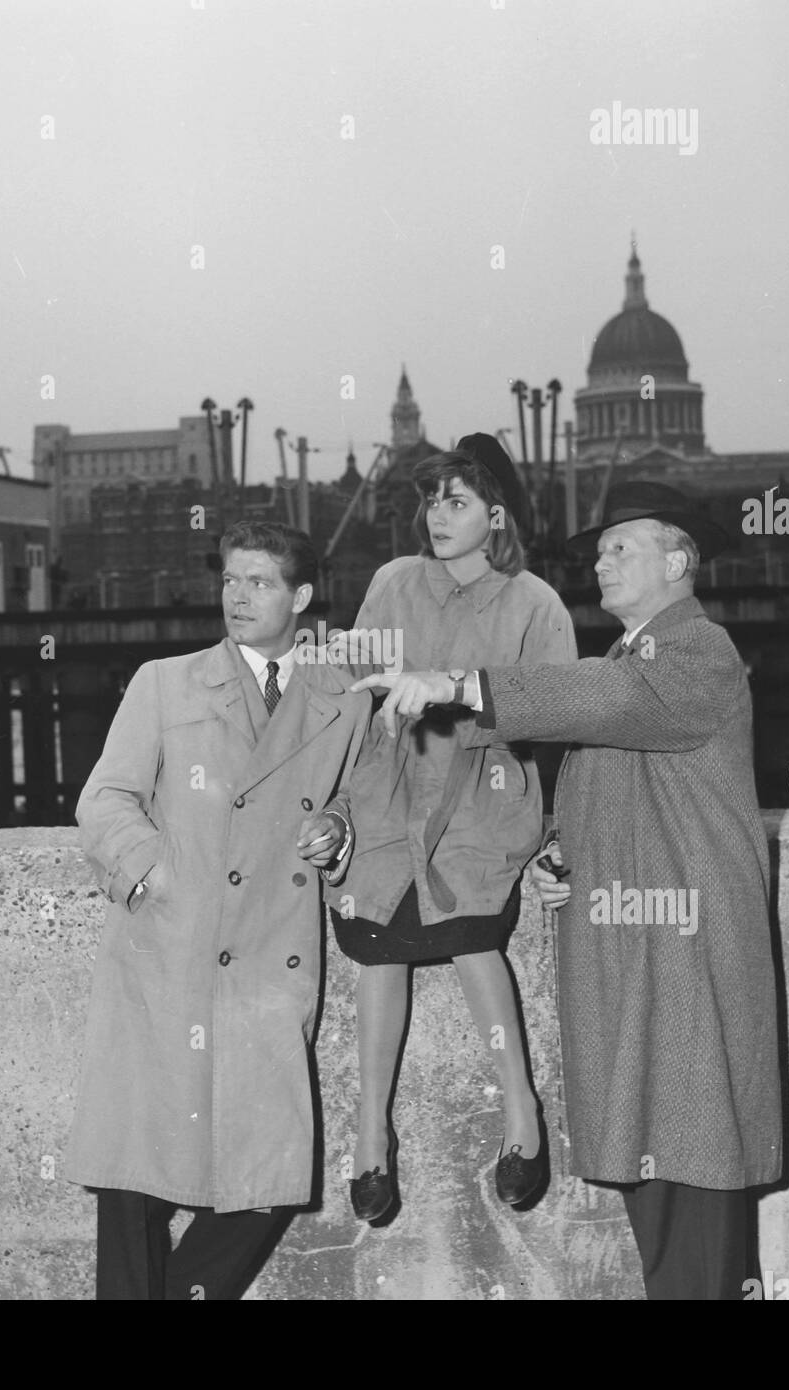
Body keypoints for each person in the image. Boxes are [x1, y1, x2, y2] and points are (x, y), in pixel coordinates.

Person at [354, 480, 783, 1298]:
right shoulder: (634, 658)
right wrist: (563, 856)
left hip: (685, 966)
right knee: (666, 1191)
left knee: (694, 1193)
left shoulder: (696, 650)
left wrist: (459, 684)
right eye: (599, 549)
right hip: (649, 959)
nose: (601, 559)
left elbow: (606, 700)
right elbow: (622, 770)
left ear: (678, 560)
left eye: (622, 546)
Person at [64, 520, 373, 1299]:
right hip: (167, 953)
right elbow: (105, 799)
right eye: (231, 580)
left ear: (301, 597)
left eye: (260, 582)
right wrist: (153, 878)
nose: (238, 597)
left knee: (267, 1178)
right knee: (134, 1178)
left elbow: (355, 800)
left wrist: (337, 828)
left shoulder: (344, 697)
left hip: (272, 954)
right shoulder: (165, 681)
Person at [331, 434, 576, 1221]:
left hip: (479, 798)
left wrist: (557, 831)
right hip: (387, 795)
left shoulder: (535, 603)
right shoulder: (393, 581)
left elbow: (562, 713)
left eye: (457, 501)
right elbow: (348, 690)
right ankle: (371, 1135)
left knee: (474, 938)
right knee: (375, 947)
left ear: (496, 516)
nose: (437, 514)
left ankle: (520, 1114)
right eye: (431, 500)